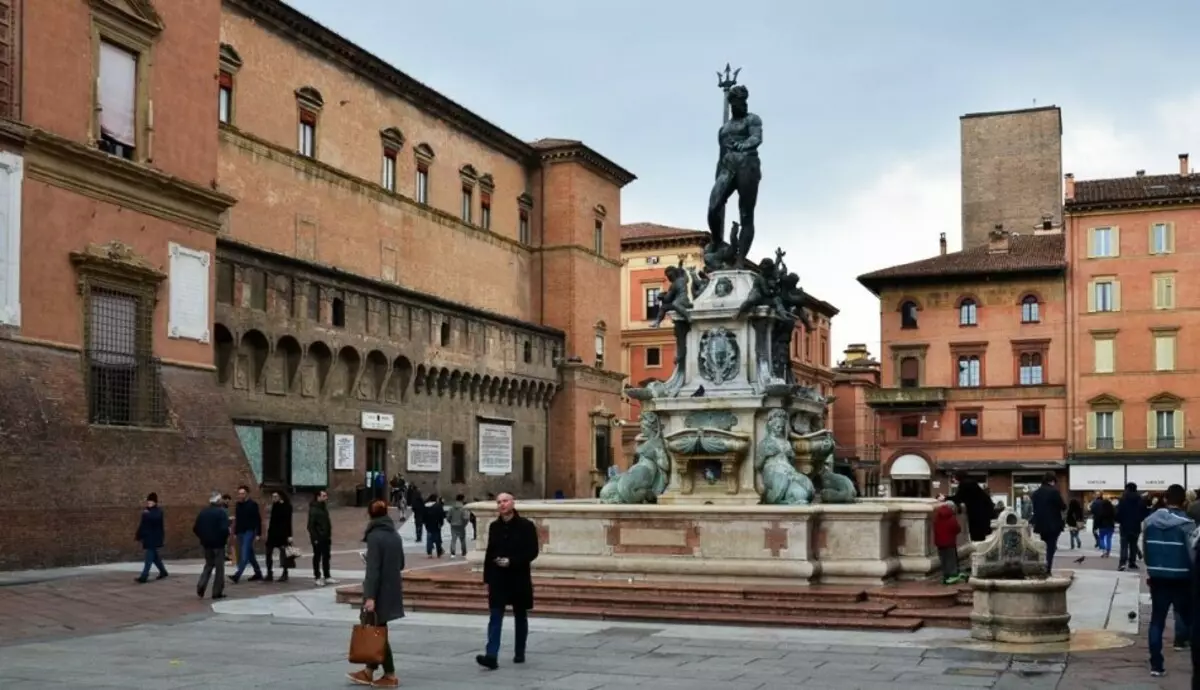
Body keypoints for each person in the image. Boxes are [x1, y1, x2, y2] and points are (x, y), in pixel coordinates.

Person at [476, 493, 540, 670]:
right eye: (498, 502)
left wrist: (512, 561)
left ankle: (520, 651)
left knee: (520, 615)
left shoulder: (526, 526)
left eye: (505, 501)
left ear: (513, 503)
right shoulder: (494, 526)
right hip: (498, 578)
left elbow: (532, 551)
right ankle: (491, 655)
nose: (501, 504)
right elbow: (490, 551)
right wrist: (487, 577)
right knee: (495, 616)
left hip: (518, 577)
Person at [346, 500, 405, 688]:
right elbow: (401, 564)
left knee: (378, 632)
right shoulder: (395, 535)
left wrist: (370, 596)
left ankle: (390, 674)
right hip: (392, 589)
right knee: (377, 629)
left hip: (378, 591)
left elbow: (373, 570)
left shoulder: (375, 536)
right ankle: (368, 671)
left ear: (370, 515)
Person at [1142, 484, 1195, 678]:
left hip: (1158, 577)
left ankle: (1156, 665)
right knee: (1190, 620)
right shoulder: (1187, 524)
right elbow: (1192, 554)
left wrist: (1152, 568)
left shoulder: (1149, 522)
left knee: (1157, 620)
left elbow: (1146, 552)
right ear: (1184, 502)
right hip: (1182, 577)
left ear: (1165, 499)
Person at [193, 491, 230, 599]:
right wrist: (224, 538)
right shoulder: (221, 512)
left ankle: (201, 585)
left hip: (206, 544)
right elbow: (224, 529)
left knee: (208, 565)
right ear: (218, 501)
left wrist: (203, 537)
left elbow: (195, 528)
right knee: (219, 568)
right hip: (218, 545)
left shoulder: (203, 512)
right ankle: (216, 592)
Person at [1029, 472, 1066, 574]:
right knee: (1051, 547)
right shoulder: (1054, 492)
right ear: (1052, 481)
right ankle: (1047, 568)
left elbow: (1035, 509)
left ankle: (1042, 566)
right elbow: (1063, 506)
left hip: (1040, 525)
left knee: (1043, 547)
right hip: (1053, 524)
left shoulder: (1035, 493)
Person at [230, 485, 264, 583]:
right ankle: (258, 573)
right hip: (240, 532)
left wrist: (258, 533)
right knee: (250, 554)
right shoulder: (238, 505)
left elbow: (258, 519)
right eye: (239, 493)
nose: (241, 495)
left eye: (243, 493)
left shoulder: (253, 504)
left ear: (247, 494)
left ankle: (237, 575)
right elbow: (238, 519)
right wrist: (236, 532)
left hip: (249, 532)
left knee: (244, 554)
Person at [948, 473, 994, 542]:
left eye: (954, 478)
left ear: (959, 477)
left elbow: (959, 498)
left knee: (977, 534)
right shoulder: (970, 481)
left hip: (977, 513)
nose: (953, 480)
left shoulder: (964, 483)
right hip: (983, 510)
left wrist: (946, 498)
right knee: (981, 534)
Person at [134, 492, 168, 583]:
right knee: (155, 558)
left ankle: (144, 576)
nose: (149, 503)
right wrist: (138, 535)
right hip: (148, 537)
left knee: (148, 558)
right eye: (148, 501)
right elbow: (142, 525)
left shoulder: (157, 511)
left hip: (154, 538)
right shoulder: (147, 511)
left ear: (155, 502)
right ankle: (163, 572)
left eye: (151, 501)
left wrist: (146, 514)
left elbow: (155, 519)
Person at [308, 489, 336, 587]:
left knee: (326, 557)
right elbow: (310, 526)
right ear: (318, 497)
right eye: (324, 496)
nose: (326, 498)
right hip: (318, 538)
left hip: (326, 537)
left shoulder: (323, 508)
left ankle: (327, 576)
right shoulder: (314, 509)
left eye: (326, 496)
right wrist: (315, 538)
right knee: (317, 557)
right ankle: (317, 577)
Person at [932, 495, 963, 585]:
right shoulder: (951, 517)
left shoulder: (938, 515)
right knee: (951, 559)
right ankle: (952, 576)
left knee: (943, 559)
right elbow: (957, 528)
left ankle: (945, 575)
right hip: (949, 542)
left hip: (939, 542)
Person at [1118, 482, 1148, 571]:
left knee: (1124, 545)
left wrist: (1121, 520)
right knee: (1133, 545)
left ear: (1127, 489)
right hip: (1135, 526)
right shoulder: (1140, 499)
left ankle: (1122, 563)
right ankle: (1132, 562)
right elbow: (1144, 513)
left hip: (1124, 526)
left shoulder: (1123, 499)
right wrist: (1138, 519)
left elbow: (1119, 513)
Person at [265, 491, 293, 582]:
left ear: (280, 497)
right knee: (268, 553)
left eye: (275, 496)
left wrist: (289, 535)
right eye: (273, 496)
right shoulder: (274, 506)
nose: (273, 498)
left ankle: (285, 572)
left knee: (283, 554)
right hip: (272, 534)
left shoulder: (287, 506)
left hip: (282, 534)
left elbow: (288, 522)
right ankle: (269, 572)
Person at [447, 494, 471, 558]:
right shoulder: (463, 508)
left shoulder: (452, 508)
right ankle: (464, 552)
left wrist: (451, 522)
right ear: (462, 499)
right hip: (461, 525)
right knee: (462, 539)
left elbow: (448, 517)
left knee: (453, 540)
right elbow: (466, 517)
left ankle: (452, 553)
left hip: (453, 525)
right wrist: (464, 524)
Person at [423, 494, 446, 558]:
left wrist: (424, 522)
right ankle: (439, 552)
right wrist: (441, 523)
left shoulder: (425, 506)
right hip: (436, 524)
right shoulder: (438, 506)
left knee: (429, 538)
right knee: (437, 539)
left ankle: (429, 552)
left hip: (428, 525)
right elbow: (441, 515)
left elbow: (423, 516)